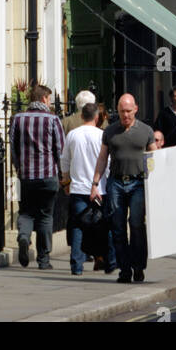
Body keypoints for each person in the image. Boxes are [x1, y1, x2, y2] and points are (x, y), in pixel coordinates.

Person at [89, 93, 157, 284]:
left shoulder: (146, 131)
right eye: (122, 111)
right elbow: (102, 158)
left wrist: (160, 183)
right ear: (117, 111)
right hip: (116, 182)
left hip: (138, 183)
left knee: (136, 225)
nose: (125, 115)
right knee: (117, 228)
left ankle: (138, 267)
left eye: (128, 111)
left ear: (135, 109)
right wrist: (95, 184)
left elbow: (155, 156)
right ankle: (124, 270)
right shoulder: (109, 132)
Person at [9, 83, 65, 270]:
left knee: (26, 211)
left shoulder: (18, 119)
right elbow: (60, 149)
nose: (50, 103)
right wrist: (61, 171)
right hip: (48, 175)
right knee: (45, 216)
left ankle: (24, 237)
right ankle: (43, 259)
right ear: (43, 99)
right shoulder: (52, 120)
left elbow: (13, 147)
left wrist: (19, 168)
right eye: (49, 99)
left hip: (27, 176)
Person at [61, 102, 113, 275]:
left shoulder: (72, 135)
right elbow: (108, 163)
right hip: (100, 188)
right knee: (102, 225)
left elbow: (65, 161)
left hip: (77, 188)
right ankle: (106, 261)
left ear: (82, 116)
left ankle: (76, 265)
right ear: (97, 117)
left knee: (78, 226)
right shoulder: (102, 135)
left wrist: (66, 180)